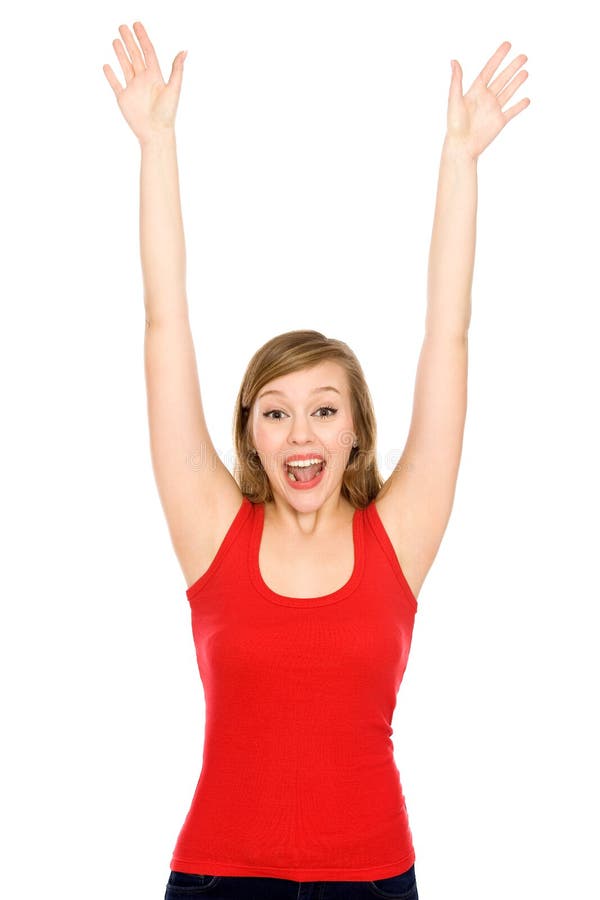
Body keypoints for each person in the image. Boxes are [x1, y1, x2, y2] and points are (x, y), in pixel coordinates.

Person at [103, 21, 530, 900]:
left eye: (324, 411)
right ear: (251, 434)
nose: (301, 434)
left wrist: (460, 159)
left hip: (370, 879)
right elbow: (164, 321)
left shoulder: (399, 536)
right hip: (219, 878)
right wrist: (156, 144)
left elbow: (447, 335)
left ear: (356, 431)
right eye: (277, 412)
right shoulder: (212, 532)